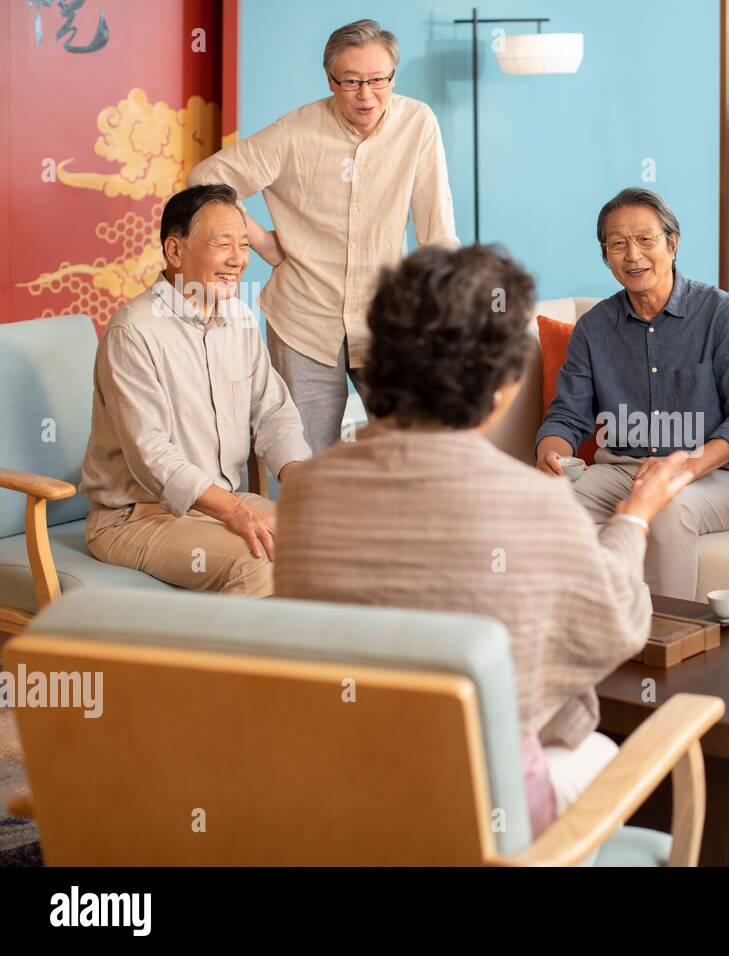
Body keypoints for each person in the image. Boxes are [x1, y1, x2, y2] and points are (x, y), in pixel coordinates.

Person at [274, 243, 693, 838]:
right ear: (503, 387)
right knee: (601, 752)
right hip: (480, 816)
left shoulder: (305, 492)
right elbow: (617, 627)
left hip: (343, 795)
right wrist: (634, 517)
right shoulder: (533, 502)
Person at [188, 18, 457, 453]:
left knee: (415, 452)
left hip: (386, 320)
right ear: (330, 80)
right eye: (351, 82)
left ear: (393, 75)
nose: (366, 95)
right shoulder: (296, 131)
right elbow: (206, 177)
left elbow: (438, 232)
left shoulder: (418, 123)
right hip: (304, 317)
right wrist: (263, 242)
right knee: (304, 460)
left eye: (377, 80)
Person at [535, 187, 729, 600]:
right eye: (618, 244)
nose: (632, 255)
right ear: (605, 255)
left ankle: (672, 640)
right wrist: (551, 452)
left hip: (713, 476)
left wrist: (683, 468)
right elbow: (567, 415)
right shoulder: (595, 327)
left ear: (672, 243)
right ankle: (563, 640)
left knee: (668, 509)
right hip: (619, 472)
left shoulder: (720, 313)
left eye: (645, 240)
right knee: (539, 505)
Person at [81, 184, 311, 597]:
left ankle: (295, 660)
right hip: (137, 518)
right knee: (261, 565)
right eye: (222, 243)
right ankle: (206, 662)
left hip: (220, 504)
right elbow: (151, 454)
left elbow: (273, 411)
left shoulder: (239, 318)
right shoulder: (133, 331)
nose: (238, 259)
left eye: (243, 245)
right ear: (174, 251)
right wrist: (237, 513)